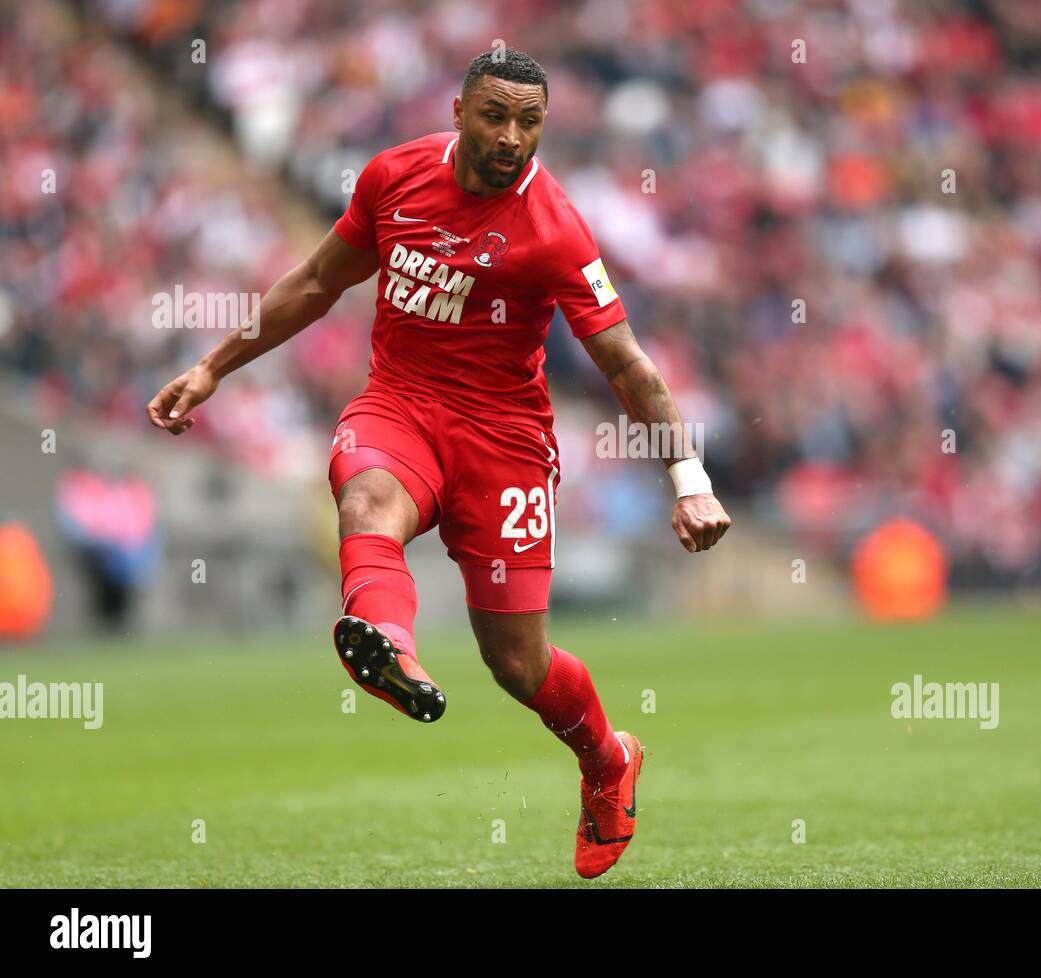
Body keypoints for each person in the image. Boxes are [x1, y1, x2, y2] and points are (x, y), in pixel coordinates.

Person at [147, 49, 731, 879]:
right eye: (495, 115)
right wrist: (213, 367)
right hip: (402, 406)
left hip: (504, 444)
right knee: (367, 499)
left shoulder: (554, 228)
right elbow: (317, 281)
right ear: (458, 111)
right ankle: (387, 642)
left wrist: (690, 481)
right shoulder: (394, 176)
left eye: (529, 122)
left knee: (517, 665)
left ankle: (608, 760)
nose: (511, 137)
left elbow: (628, 366)